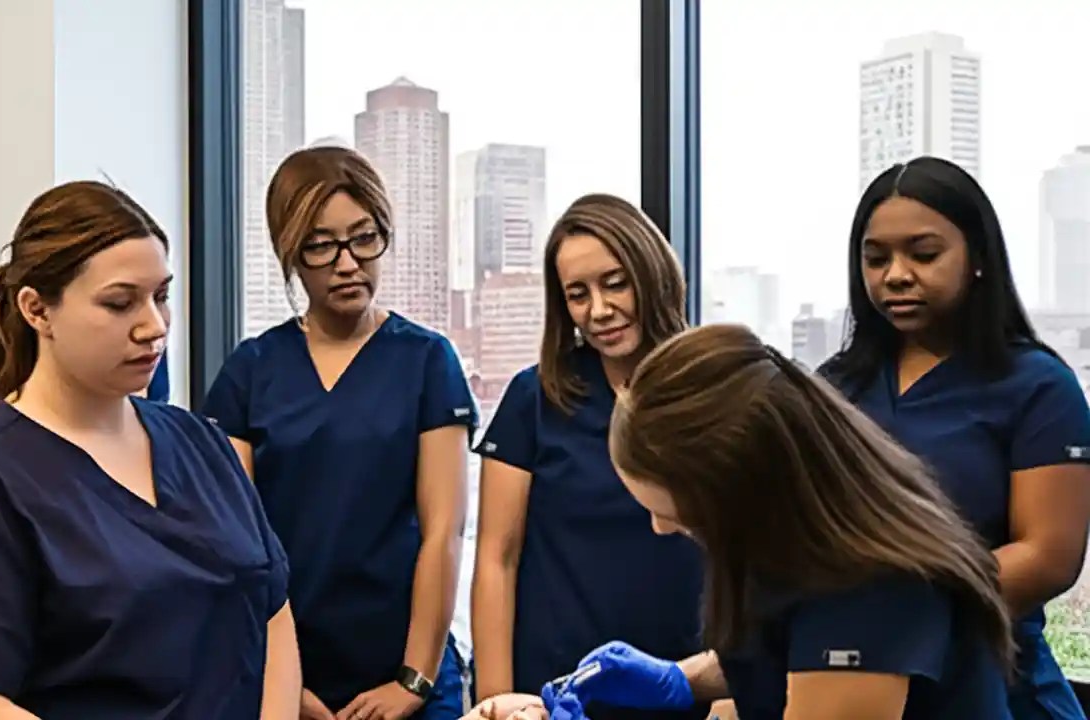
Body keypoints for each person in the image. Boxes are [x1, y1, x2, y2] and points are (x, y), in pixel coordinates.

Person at [0, 181, 300, 719]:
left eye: (162, 296)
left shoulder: (202, 446)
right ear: (37, 310)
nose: (154, 326)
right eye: (120, 303)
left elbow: (272, 609)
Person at [465, 323, 1017, 719]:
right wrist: (681, 679)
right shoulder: (787, 543)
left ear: (743, 488)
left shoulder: (871, 591)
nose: (662, 530)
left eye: (674, 514)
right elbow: (781, 648)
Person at [203, 146, 476, 720]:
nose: (348, 263)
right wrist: (283, 682)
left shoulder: (428, 360)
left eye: (364, 238)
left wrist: (414, 680)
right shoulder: (250, 371)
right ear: (291, 253)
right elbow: (236, 548)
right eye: (321, 245)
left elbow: (443, 534)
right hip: (286, 671)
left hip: (408, 670)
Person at [819, 156, 1090, 719]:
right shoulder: (834, 387)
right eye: (876, 258)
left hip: (997, 686)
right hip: (854, 686)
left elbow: (1048, 558)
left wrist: (897, 608)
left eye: (923, 254)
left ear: (978, 260)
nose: (895, 274)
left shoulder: (1039, 386)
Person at [470, 194, 706, 720]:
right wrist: (495, 703)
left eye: (615, 283)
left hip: (689, 685)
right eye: (578, 294)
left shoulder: (712, 389)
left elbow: (754, 555)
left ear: (652, 273)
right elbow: (495, 559)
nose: (598, 310)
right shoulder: (535, 398)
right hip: (556, 695)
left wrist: (733, 689)